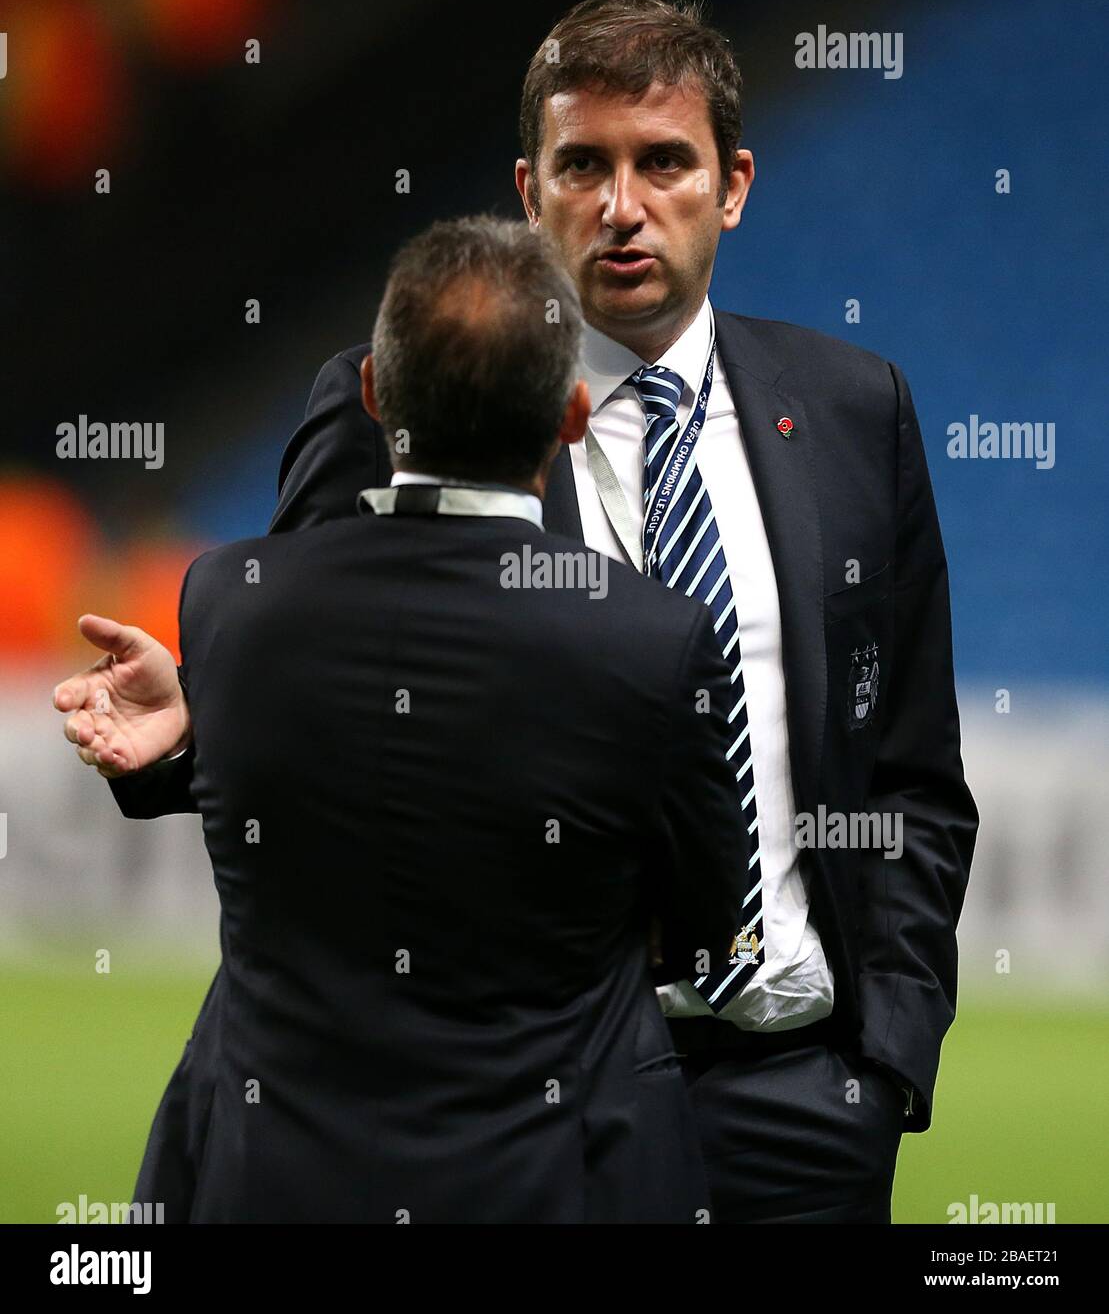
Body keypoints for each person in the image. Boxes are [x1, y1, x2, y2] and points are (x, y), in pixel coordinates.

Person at [57, 0, 978, 1224]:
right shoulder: (387, 408)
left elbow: (912, 771)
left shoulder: (856, 409)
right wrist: (190, 738)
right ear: (527, 190)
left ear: (734, 183)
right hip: (531, 1110)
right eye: (582, 165)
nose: (620, 205)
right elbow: (326, 698)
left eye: (663, 163)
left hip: (795, 1100)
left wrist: (884, 1060)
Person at [54, 215, 745, 1223]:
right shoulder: (653, 640)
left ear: (374, 395)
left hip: (269, 1179)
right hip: (555, 1182)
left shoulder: (231, 600)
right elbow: (705, 929)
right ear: (571, 412)